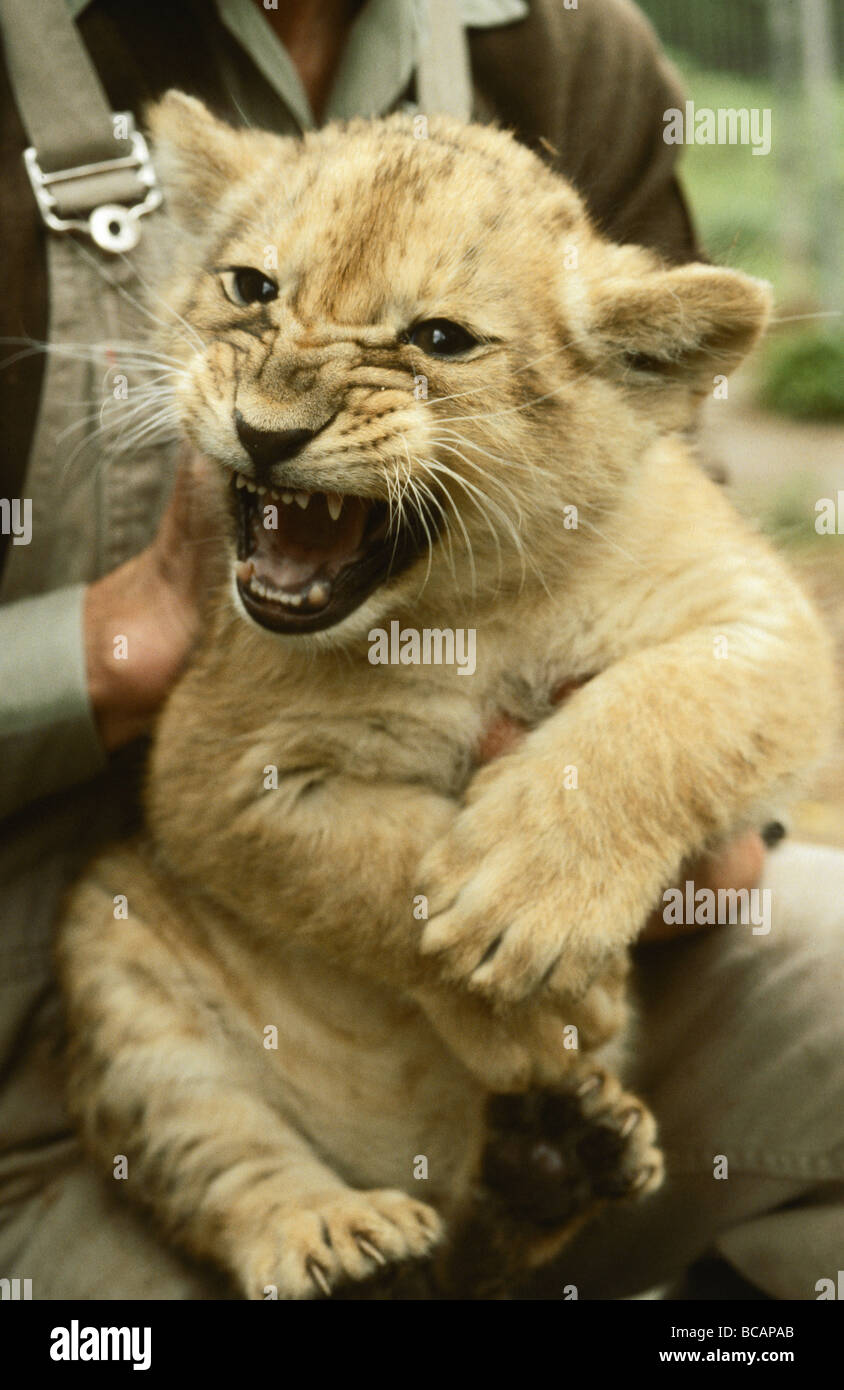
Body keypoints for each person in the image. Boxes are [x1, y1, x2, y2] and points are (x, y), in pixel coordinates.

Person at [0, 0, 840, 1300]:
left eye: (438, 338)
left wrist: (613, 807)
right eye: (251, 293)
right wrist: (120, 650)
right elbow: (222, 795)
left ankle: (542, 1209)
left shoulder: (568, 49)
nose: (278, 406)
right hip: (90, 1045)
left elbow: (759, 653)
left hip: (598, 1016)